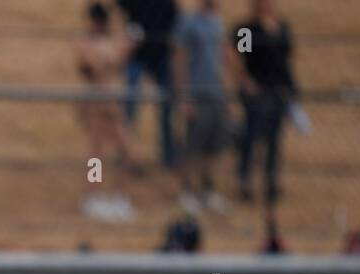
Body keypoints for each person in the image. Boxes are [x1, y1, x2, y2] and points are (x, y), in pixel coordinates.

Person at [76, 3, 137, 223]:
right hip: (95, 103)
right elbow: (93, 65)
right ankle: (92, 196)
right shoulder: (86, 41)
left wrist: (115, 55)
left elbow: (116, 59)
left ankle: (120, 196)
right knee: (97, 153)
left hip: (113, 103)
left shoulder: (110, 40)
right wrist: (115, 56)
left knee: (127, 151)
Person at [232, 0, 297, 206]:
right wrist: (245, 81)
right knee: (251, 136)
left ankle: (270, 180)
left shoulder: (282, 28)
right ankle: (244, 180)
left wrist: (290, 87)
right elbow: (237, 57)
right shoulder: (248, 30)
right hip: (257, 91)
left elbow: (286, 60)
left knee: (274, 138)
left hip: (278, 90)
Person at [173, 0, 234, 215]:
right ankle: (187, 191)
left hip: (216, 94)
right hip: (197, 95)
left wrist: (227, 92)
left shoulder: (218, 23)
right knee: (193, 146)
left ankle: (207, 189)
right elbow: (180, 61)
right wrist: (184, 96)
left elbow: (223, 59)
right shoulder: (188, 23)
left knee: (212, 146)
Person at [117, 0, 179, 169]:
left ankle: (169, 155)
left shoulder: (168, 5)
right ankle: (127, 152)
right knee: (130, 105)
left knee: (166, 107)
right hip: (138, 55)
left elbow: (174, 21)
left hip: (160, 55)